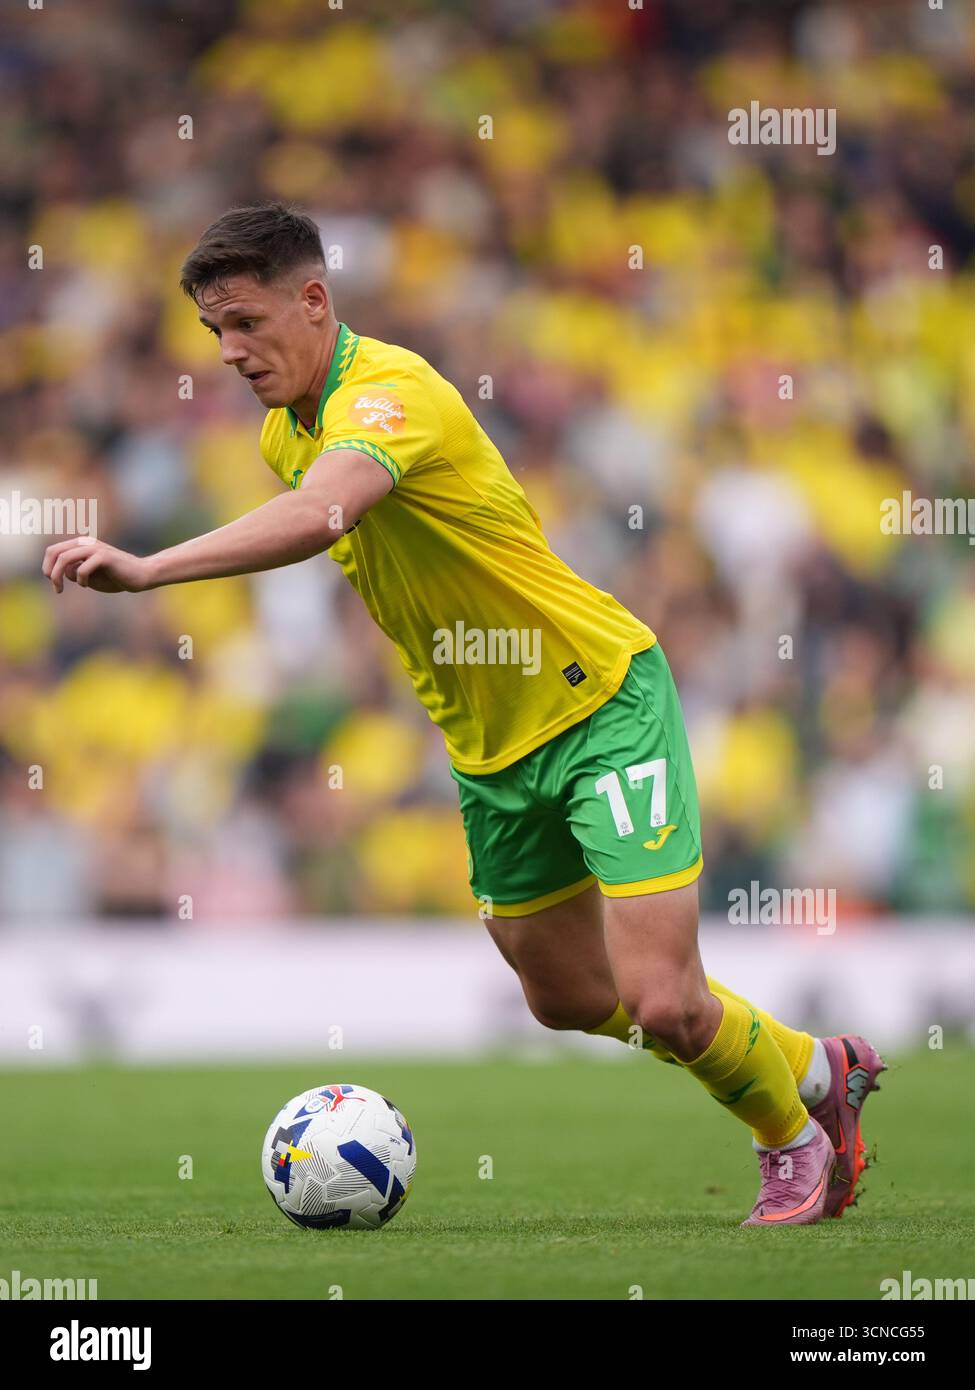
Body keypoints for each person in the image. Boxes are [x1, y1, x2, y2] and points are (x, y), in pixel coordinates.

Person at [42, 202, 885, 1225]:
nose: (229, 351)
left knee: (660, 995)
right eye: (215, 331)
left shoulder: (391, 391)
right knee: (566, 995)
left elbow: (324, 514)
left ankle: (795, 1141)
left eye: (248, 323)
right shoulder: (281, 432)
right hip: (490, 749)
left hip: (597, 700)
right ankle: (809, 1066)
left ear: (315, 301)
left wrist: (152, 567)